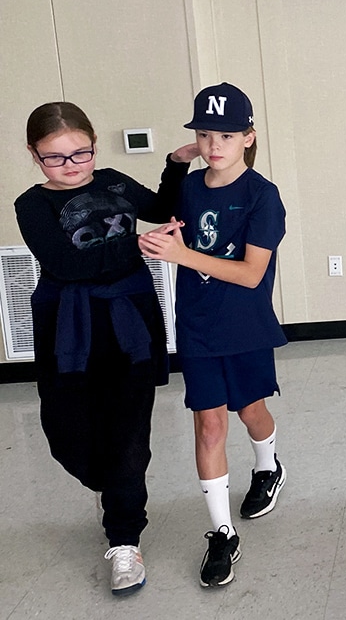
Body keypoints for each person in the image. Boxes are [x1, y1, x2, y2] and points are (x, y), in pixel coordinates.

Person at [15, 102, 196, 596]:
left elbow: (161, 210)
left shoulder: (114, 180)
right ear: (35, 155)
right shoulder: (31, 205)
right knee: (66, 433)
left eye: (81, 153)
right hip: (67, 324)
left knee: (129, 434)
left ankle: (124, 538)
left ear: (94, 145)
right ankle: (114, 484)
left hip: (130, 318)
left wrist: (177, 163)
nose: (72, 166)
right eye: (56, 158)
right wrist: (136, 246)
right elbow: (66, 264)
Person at [139, 82, 288, 587]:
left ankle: (268, 466)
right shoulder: (189, 185)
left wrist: (181, 256)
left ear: (249, 136)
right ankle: (222, 533)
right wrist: (176, 161)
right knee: (208, 425)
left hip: (244, 328)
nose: (214, 145)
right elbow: (162, 213)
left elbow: (249, 274)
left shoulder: (262, 196)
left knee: (251, 412)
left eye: (226, 134)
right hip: (198, 328)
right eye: (205, 134)